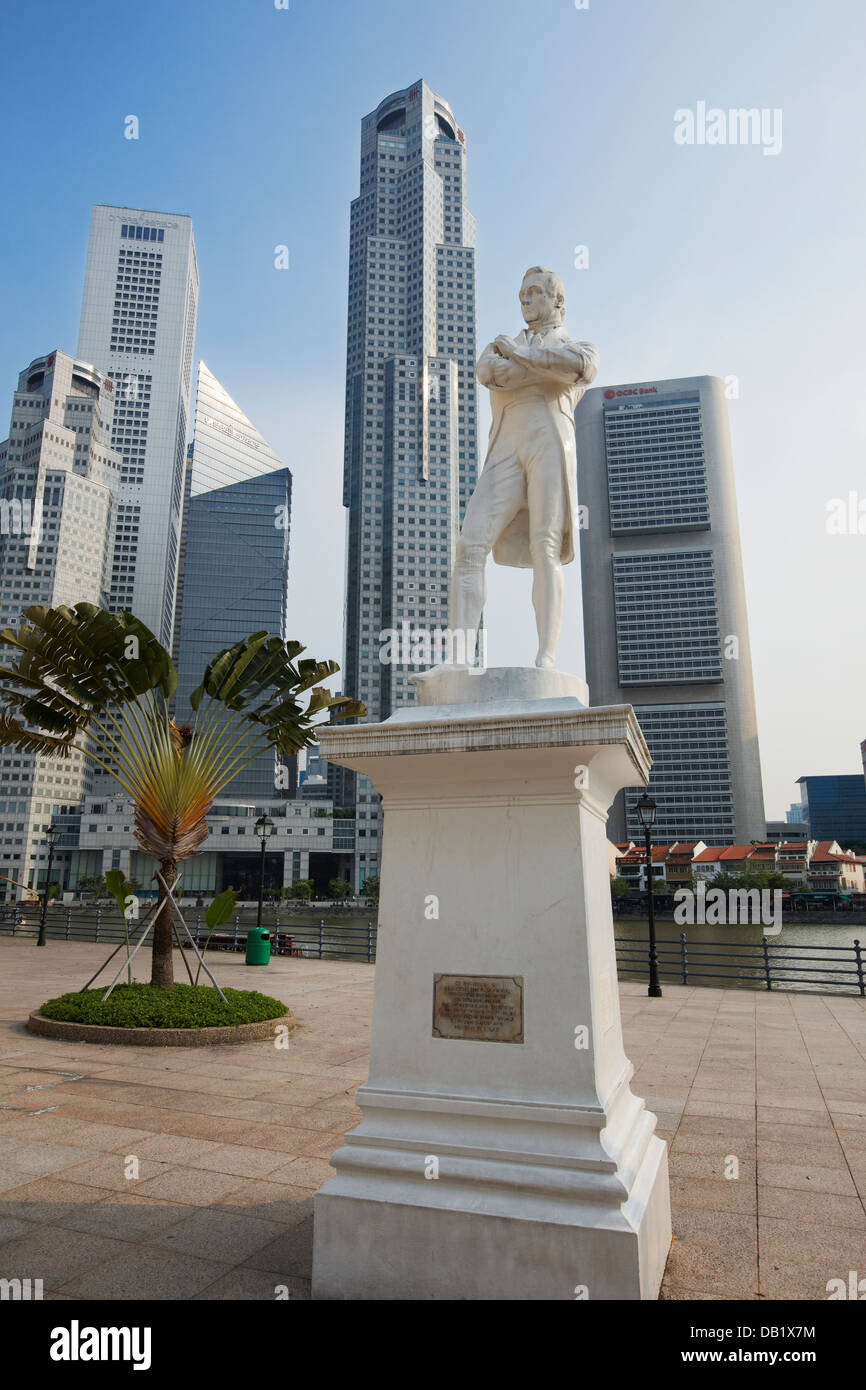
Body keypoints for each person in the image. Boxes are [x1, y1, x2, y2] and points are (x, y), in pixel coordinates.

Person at [449, 266, 598, 668]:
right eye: (522, 295)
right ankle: (459, 660)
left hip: (550, 439)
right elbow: (489, 373)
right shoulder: (498, 348)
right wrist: (537, 366)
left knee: (545, 544)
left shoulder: (577, 347)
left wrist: (520, 358)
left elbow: (578, 367)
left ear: (557, 301)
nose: (526, 300)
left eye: (534, 293)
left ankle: (546, 657)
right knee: (469, 546)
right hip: (506, 447)